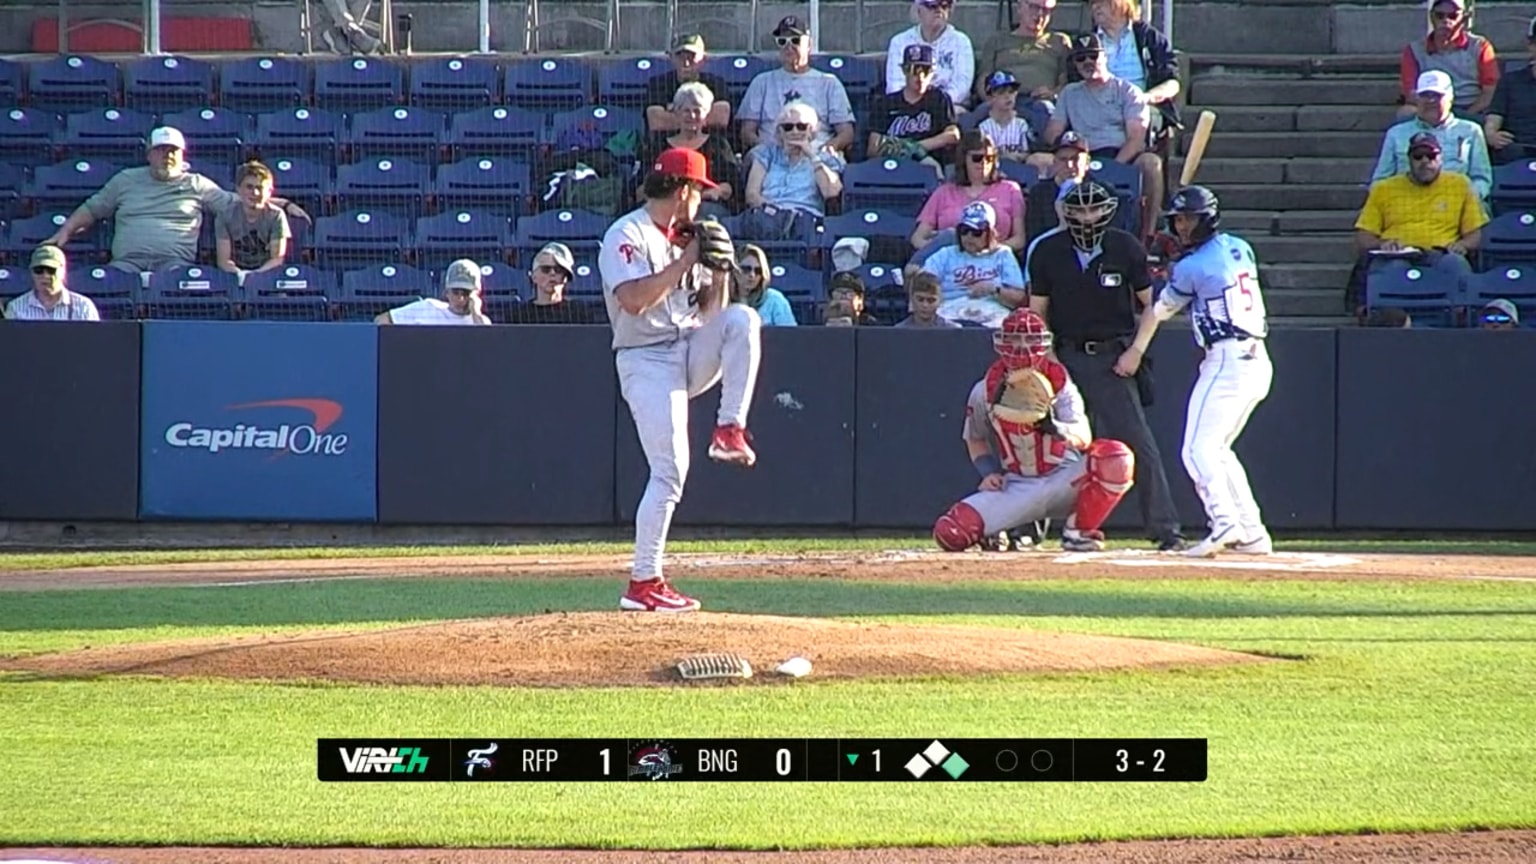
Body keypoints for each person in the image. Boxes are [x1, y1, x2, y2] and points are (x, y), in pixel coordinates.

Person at [600, 148, 763, 613]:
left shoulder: (692, 235)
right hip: (645, 359)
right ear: (682, 190)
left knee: (743, 321)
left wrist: (718, 271)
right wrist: (685, 258)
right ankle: (643, 582)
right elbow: (633, 300)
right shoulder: (626, 233)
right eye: (699, 191)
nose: (703, 202)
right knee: (669, 473)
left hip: (688, 347)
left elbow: (712, 310)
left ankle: (729, 428)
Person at [1114, 186, 1273, 557]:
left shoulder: (1194, 266)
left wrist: (1159, 274)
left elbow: (1159, 308)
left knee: (1197, 451)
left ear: (1207, 219)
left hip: (1228, 359)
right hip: (1255, 359)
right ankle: (1251, 531)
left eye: (1190, 219)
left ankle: (1224, 522)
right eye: (1180, 220)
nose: (1183, 227)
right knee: (1219, 450)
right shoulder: (1238, 246)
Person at [1027, 180, 1185, 550]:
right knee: (1054, 447)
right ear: (1065, 212)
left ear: (1107, 210)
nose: (1086, 217)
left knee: (1137, 446)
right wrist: (1049, 362)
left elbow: (1153, 305)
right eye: (1078, 210)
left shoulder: (1124, 247)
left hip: (1113, 359)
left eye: (1092, 209)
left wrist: (1136, 351)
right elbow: (1038, 313)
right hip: (1064, 357)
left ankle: (1165, 530)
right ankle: (1034, 530)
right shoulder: (1047, 251)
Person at [932, 307, 1136, 553]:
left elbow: (1084, 436)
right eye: (1015, 339)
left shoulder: (1061, 384)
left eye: (1029, 339)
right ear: (1002, 342)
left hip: (1064, 478)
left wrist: (1056, 429)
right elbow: (975, 439)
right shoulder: (984, 389)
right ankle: (999, 530)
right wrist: (989, 473)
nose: (1022, 346)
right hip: (1018, 484)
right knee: (950, 532)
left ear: (1042, 344)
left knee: (1116, 458)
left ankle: (1079, 531)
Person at [910, 130, 1028, 265]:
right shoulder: (944, 192)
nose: (984, 163)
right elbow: (918, 238)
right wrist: (946, 252)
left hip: (992, 260)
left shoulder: (1010, 189)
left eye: (989, 158)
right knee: (949, 235)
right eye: (977, 158)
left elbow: (1019, 239)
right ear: (963, 159)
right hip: (949, 261)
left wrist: (987, 250)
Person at [637, 82, 741, 217]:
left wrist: (713, 192)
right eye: (686, 110)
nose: (691, 116)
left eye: (697, 111)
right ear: (677, 114)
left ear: (705, 117)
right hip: (665, 205)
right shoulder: (658, 146)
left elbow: (731, 185)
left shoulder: (718, 144)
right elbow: (641, 188)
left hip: (706, 206)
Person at [920, 201, 1026, 327]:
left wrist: (994, 290)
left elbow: (1019, 299)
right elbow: (922, 285)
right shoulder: (945, 255)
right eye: (964, 231)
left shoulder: (1003, 255)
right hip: (950, 312)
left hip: (992, 314)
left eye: (976, 233)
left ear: (990, 233)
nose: (969, 237)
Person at [867, 43, 960, 173]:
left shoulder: (939, 99)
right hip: (892, 165)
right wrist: (900, 150)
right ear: (905, 71)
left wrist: (916, 147)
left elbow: (953, 135)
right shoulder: (886, 103)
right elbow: (873, 148)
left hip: (928, 165)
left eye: (926, 71)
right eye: (915, 70)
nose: (920, 77)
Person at [215, 161, 291, 278]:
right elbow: (223, 261)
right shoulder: (225, 215)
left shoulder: (276, 215)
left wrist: (254, 276)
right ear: (238, 189)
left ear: (270, 191)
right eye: (249, 187)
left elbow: (277, 259)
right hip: (234, 276)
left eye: (260, 188)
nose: (255, 193)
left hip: (268, 275)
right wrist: (240, 275)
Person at [375, 259, 491, 325]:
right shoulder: (427, 308)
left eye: (466, 293)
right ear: (447, 292)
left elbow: (488, 344)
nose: (460, 298)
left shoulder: (479, 322)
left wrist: (476, 313)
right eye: (456, 292)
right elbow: (381, 321)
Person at [3, 244, 100, 321]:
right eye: (39, 270)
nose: (45, 276)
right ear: (31, 273)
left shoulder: (83, 307)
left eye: (51, 270)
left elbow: (93, 342)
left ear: (63, 271)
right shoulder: (16, 308)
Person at [506, 242, 594, 324]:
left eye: (558, 270)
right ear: (533, 276)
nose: (552, 273)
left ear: (566, 277)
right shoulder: (518, 316)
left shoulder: (579, 313)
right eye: (546, 269)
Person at [735, 244, 798, 326]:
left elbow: (789, 334)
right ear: (735, 270)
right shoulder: (723, 299)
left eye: (758, 271)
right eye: (746, 269)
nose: (752, 275)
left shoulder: (775, 300)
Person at [894, 271, 961, 328]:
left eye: (931, 300)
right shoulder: (898, 331)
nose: (925, 305)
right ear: (911, 298)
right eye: (920, 299)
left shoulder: (952, 330)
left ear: (940, 301)